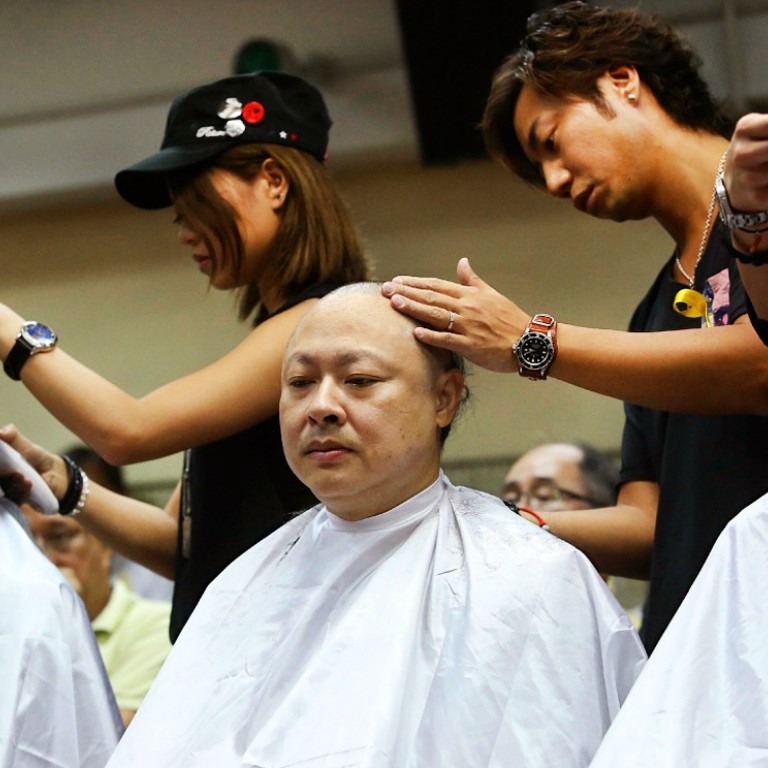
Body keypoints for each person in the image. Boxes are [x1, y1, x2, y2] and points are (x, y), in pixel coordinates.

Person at [36, 282, 644, 768]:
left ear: (444, 399)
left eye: (359, 381)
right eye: (299, 383)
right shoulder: (245, 581)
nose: (321, 406)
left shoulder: (531, 577)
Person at [381, 1, 768, 653]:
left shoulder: (758, 210)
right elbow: (652, 528)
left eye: (551, 142)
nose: (556, 181)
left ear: (622, 82)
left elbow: (760, 368)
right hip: (699, 669)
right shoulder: (650, 319)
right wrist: (496, 523)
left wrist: (534, 343)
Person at [0, 71, 370, 641]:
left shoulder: (323, 323)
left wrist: (9, 331)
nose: (183, 230)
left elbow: (128, 431)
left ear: (273, 181)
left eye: (195, 202)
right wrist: (64, 481)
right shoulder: (278, 334)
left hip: (289, 663)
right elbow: (184, 548)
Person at [0, 444, 121, 767]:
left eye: (60, 537)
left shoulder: (38, 601)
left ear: (106, 544)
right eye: (33, 539)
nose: (47, 555)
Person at [24, 504, 172, 728]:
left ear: (105, 546)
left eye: (59, 536)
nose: (43, 560)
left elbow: (105, 744)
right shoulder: (14, 630)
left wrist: (57, 617)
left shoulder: (159, 625)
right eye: (25, 544)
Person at [502, 441, 647, 627]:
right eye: (510, 500)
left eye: (545, 495)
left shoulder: (642, 640)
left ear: (608, 513)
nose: (522, 510)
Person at [63, 444, 174, 602]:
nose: (83, 509)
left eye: (93, 494)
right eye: (71, 500)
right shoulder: (60, 559)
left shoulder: (154, 557)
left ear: (120, 493)